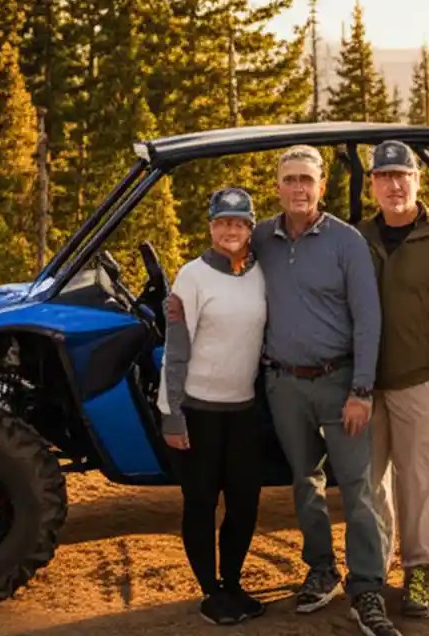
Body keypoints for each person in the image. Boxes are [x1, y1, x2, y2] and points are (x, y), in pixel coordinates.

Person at [168, 145, 401, 636]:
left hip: (340, 382)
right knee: (304, 481)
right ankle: (321, 570)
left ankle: (366, 586)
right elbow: (219, 271)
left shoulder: (346, 242)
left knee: (357, 486)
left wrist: (362, 389)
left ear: (321, 186)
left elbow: (369, 319)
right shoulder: (264, 240)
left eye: (306, 180)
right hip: (284, 384)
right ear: (277, 187)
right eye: (290, 179)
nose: (298, 188)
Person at [357, 140, 429, 619]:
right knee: (369, 485)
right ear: (373, 184)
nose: (394, 185)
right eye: (384, 176)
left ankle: (420, 569)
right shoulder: (357, 238)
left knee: (418, 485)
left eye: (402, 175)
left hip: (419, 385)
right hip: (365, 388)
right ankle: (376, 565)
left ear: (417, 180)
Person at [159, 187, 268, 626]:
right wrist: (172, 414)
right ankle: (210, 590)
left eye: (239, 223)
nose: (230, 230)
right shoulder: (192, 277)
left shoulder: (260, 276)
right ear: (210, 227)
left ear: (250, 228)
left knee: (244, 503)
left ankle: (233, 582)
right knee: (201, 502)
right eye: (223, 222)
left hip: (242, 410)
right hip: (197, 411)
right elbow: (175, 352)